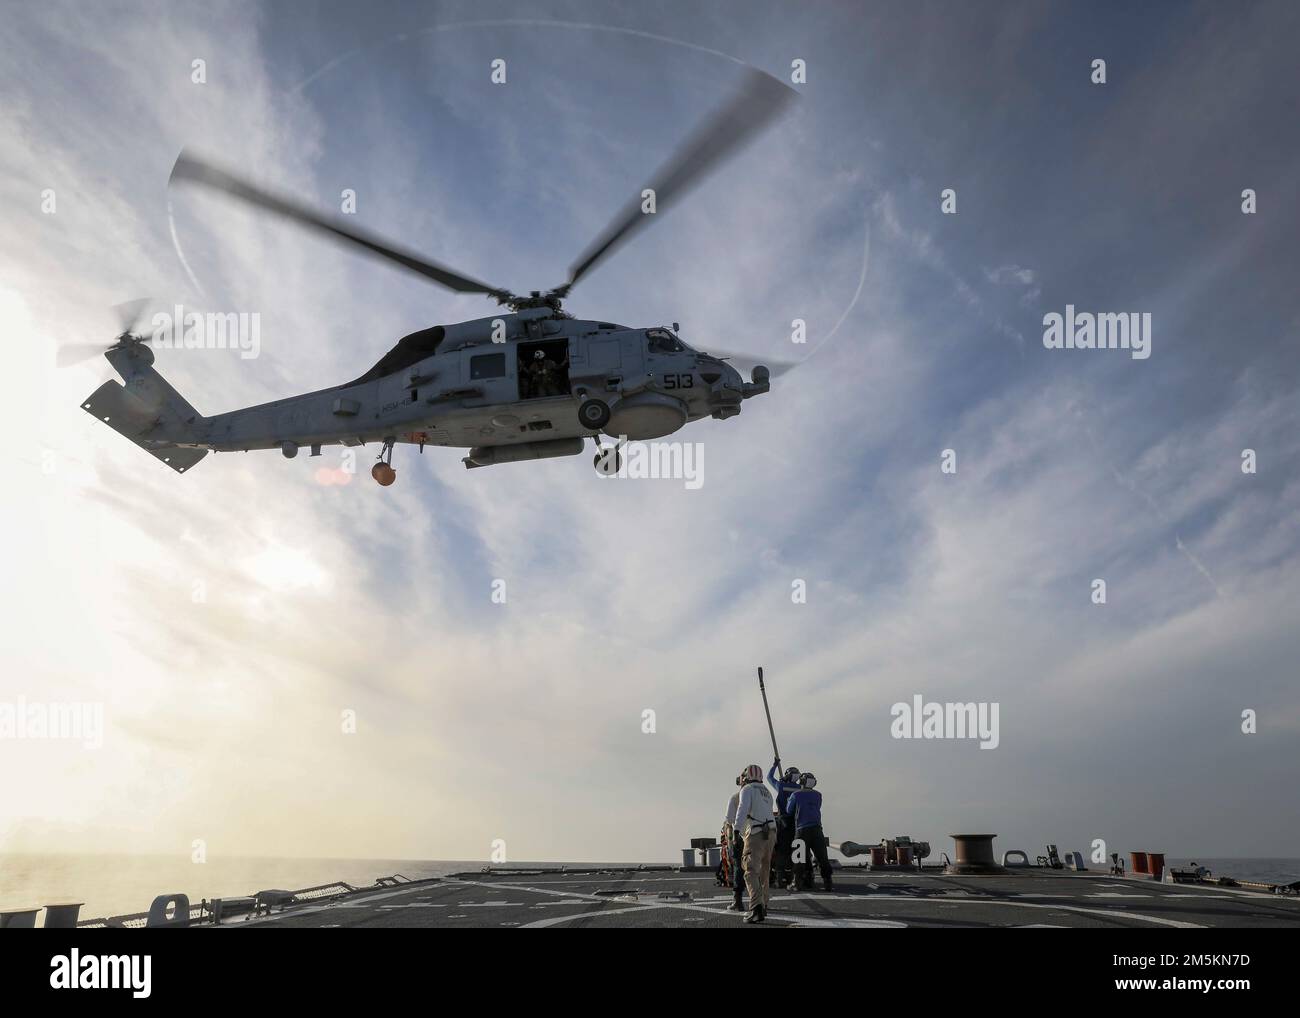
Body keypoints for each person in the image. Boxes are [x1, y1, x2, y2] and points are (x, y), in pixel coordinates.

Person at [735, 763, 777, 923]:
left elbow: (742, 809)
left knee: (750, 870)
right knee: (765, 871)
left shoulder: (747, 789)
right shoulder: (767, 792)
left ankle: (756, 908)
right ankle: (764, 904)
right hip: (771, 833)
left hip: (756, 833)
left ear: (746, 777)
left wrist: (736, 831)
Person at [786, 771, 832, 892]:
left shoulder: (796, 795)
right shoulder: (818, 795)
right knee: (822, 857)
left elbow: (789, 810)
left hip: (801, 830)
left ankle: (797, 883)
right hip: (817, 830)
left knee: (799, 858)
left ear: (801, 782)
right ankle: (828, 882)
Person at [767, 760, 802, 889]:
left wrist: (775, 765)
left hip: (783, 821)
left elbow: (769, 777)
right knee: (798, 850)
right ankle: (797, 878)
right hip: (797, 822)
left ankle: (780, 878)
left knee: (782, 849)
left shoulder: (781, 786)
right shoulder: (799, 788)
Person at [721, 773, 747, 910]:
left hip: (739, 837)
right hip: (755, 836)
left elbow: (729, 820)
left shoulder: (735, 797)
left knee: (738, 867)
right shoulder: (760, 795)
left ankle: (737, 901)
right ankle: (760, 902)